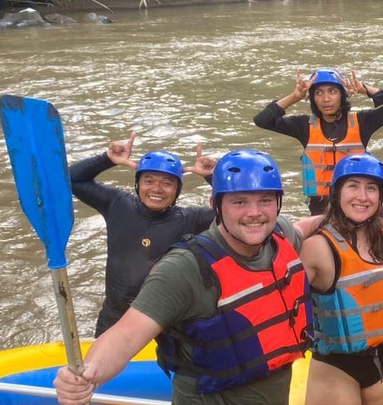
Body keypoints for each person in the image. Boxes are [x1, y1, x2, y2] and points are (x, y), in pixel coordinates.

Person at [54, 149, 312, 405]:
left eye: (265, 200)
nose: (254, 212)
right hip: (189, 371)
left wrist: (343, 215)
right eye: (239, 201)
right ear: (217, 206)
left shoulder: (279, 235)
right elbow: (125, 335)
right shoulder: (181, 266)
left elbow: (304, 227)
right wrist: (90, 374)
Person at [69, 133, 215, 336]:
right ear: (138, 184)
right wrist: (107, 159)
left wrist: (212, 177)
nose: (157, 189)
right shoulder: (118, 204)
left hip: (167, 319)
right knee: (100, 367)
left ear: (177, 190)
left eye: (167, 183)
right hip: (115, 315)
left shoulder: (191, 219)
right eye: (149, 180)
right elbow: (71, 179)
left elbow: (233, 214)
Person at [302, 153, 383, 405]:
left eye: (371, 188)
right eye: (353, 186)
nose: (362, 197)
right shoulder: (316, 247)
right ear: (337, 193)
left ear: (381, 197)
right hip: (337, 367)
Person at [254, 67, 383, 214]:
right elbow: (262, 120)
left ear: (342, 95)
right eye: (319, 93)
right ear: (313, 98)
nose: (326, 99)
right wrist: (295, 97)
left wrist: (364, 89)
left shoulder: (362, 122)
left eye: (332, 91)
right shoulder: (304, 126)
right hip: (320, 209)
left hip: (356, 206)